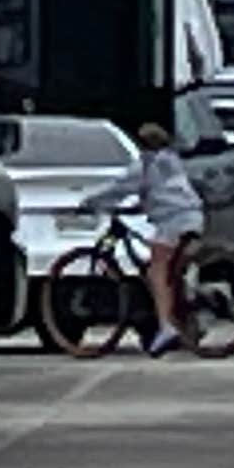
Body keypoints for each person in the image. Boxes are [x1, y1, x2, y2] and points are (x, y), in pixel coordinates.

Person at [81, 114, 207, 354]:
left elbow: (120, 188)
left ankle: (166, 327)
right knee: (175, 272)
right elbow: (163, 193)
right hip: (194, 217)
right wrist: (143, 205)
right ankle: (195, 319)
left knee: (156, 271)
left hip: (173, 222)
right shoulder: (172, 160)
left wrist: (89, 202)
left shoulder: (145, 165)